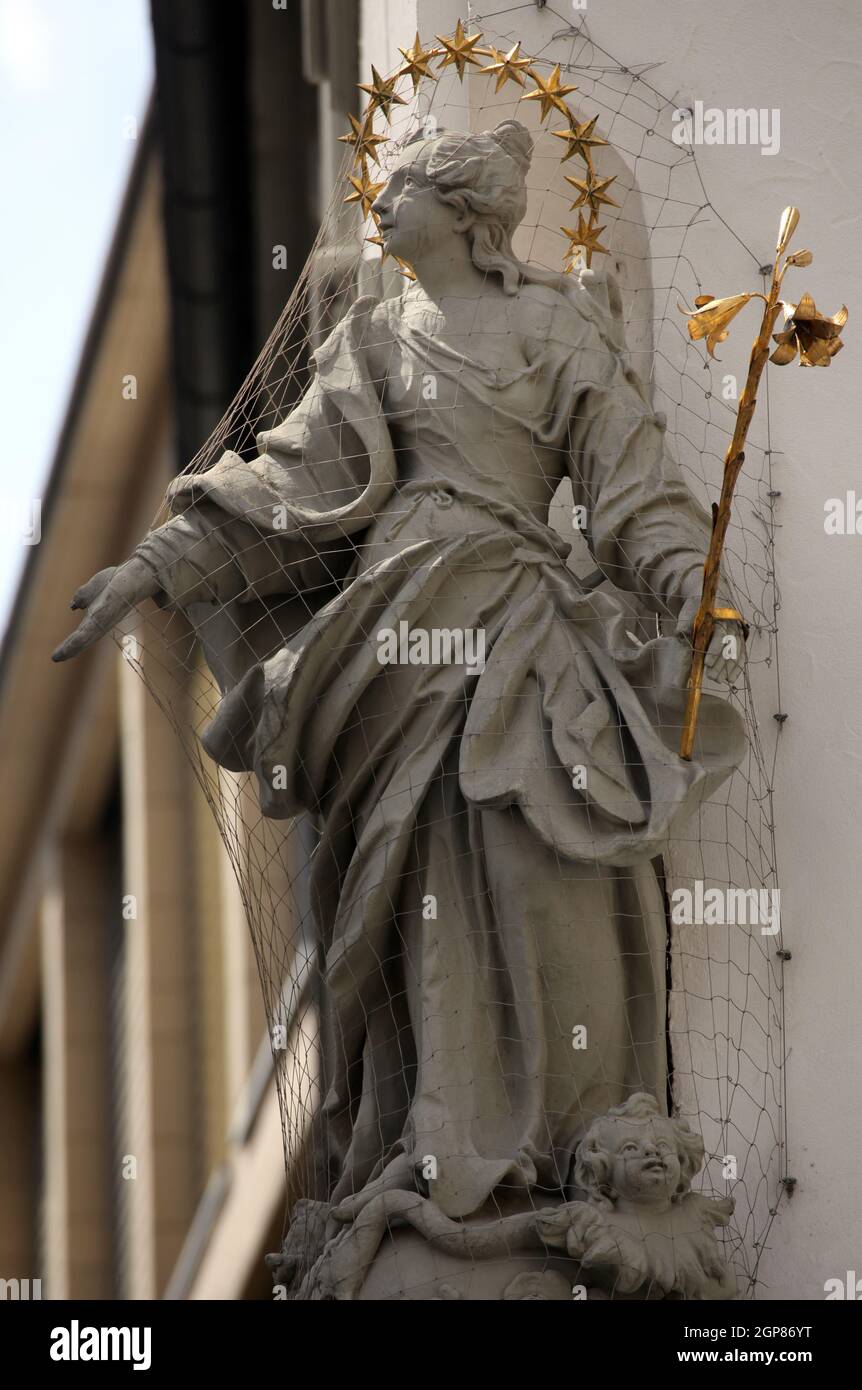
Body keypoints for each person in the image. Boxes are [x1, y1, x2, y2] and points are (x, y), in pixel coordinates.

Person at [53, 121, 746, 1233]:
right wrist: (152, 564)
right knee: (401, 886)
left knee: (532, 864)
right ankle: (424, 1137)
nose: (379, 203)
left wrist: (684, 581)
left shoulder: (558, 323)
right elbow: (281, 484)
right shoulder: (372, 338)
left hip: (518, 618)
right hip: (391, 636)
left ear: (467, 211)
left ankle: (543, 1146)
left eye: (404, 185)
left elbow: (628, 483)